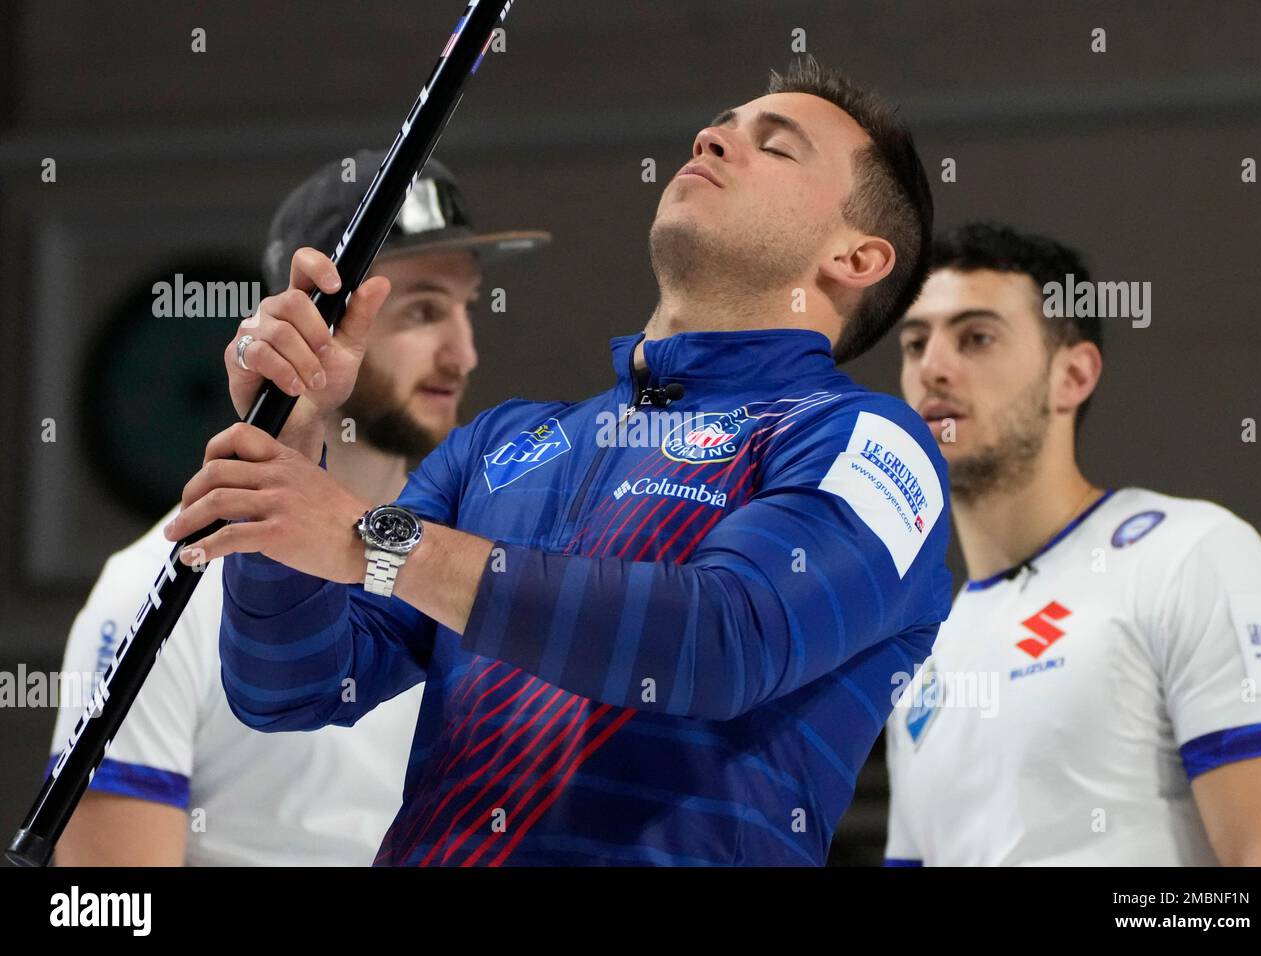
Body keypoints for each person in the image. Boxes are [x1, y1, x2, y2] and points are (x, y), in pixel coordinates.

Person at [165, 58, 953, 866]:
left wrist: (375, 541)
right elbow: (291, 687)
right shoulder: (502, 443)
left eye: (776, 146)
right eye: (720, 124)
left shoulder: (869, 443)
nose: (711, 139)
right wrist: (297, 438)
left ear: (859, 259)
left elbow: (722, 640)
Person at [49, 152, 550, 865]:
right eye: (423, 310)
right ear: (310, 328)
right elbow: (106, 907)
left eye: (466, 307)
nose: (462, 354)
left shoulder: (469, 569)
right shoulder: (156, 587)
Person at [884, 221, 1261, 866]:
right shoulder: (919, 652)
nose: (933, 368)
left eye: (977, 337)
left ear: (1072, 375)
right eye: (915, 344)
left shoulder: (1193, 554)